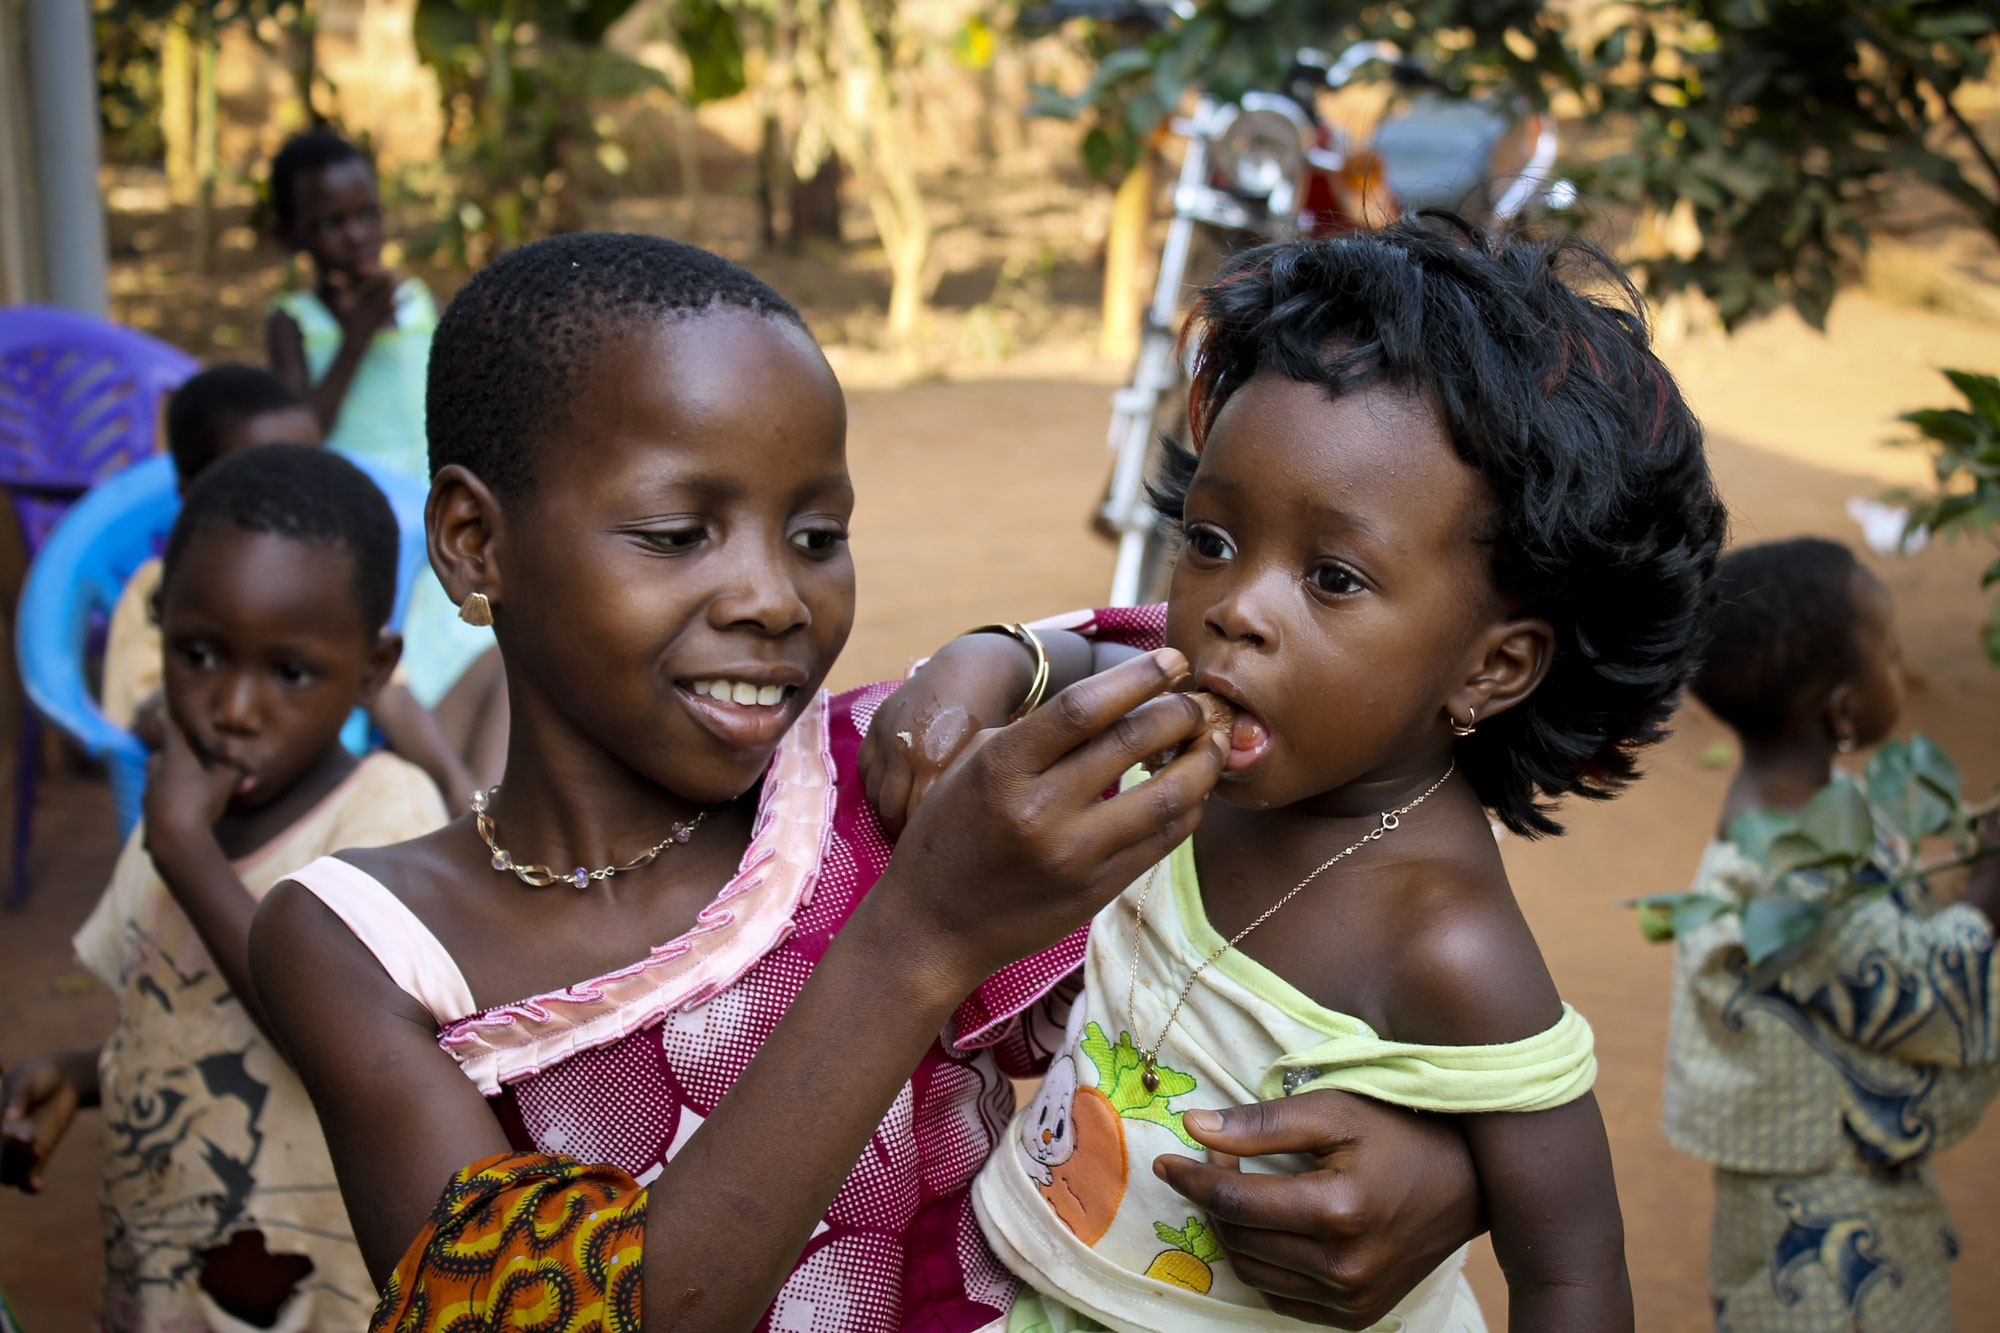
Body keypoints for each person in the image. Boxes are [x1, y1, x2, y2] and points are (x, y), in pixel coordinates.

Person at [247, 233, 1492, 1333]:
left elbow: (1280, 710)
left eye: (816, 535)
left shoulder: (876, 777)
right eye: (679, 534)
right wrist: (918, 941)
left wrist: (1452, 1162)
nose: (772, 598)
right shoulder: (360, 947)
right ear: (475, 541)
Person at [870, 221, 1728, 1331]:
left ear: (1490, 666)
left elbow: (1571, 1268)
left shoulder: (1444, 943)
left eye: (1329, 575)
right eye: (1212, 539)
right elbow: (1092, 658)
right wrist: (981, 659)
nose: (1234, 607)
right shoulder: (1191, 734)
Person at [0, 446, 451, 1332]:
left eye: (288, 672)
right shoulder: (174, 817)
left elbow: (341, 1050)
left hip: (307, 1299)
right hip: (156, 1282)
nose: (234, 707)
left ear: (371, 667)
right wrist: (81, 1077)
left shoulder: (385, 823)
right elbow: (178, 1012)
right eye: (200, 653)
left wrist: (186, 852)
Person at [1663, 537, 2000, 1331]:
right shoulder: (1785, 872)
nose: (1903, 663)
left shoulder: (1817, 809)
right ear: (1841, 709)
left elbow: (1895, 906)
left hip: (1840, 1181)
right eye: (1891, 650)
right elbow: (1918, 991)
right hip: (1820, 1225)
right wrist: (1992, 884)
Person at [99, 363, 483, 804]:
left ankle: (487, 832)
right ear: (193, 491)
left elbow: (392, 694)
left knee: (495, 675)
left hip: (346, 772)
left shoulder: (323, 590)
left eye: (312, 475)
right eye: (268, 480)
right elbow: (149, 712)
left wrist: (457, 787)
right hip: (256, 795)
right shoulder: (161, 591)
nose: (300, 497)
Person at [264, 128, 503, 770]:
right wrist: (356, 335)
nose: (357, 235)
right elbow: (301, 431)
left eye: (366, 215)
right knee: (387, 655)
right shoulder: (294, 320)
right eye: (332, 222)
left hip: (430, 515)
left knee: (478, 633)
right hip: (353, 528)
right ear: (294, 234)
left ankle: (466, 781)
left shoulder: (415, 302)